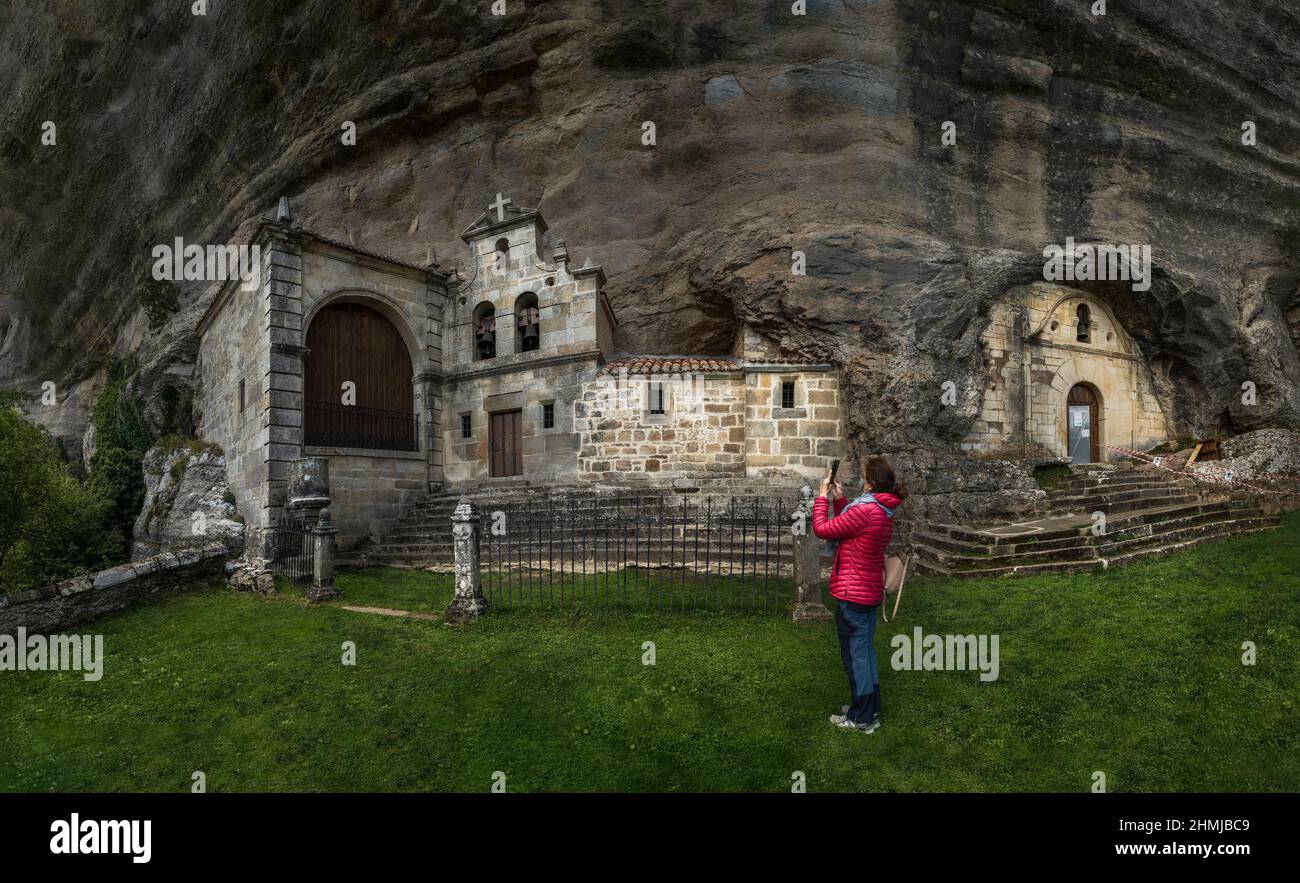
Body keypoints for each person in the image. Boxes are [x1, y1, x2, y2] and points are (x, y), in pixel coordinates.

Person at [812, 456, 908, 734]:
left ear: (869, 482)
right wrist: (840, 501)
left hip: (853, 592)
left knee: (855, 655)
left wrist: (822, 498)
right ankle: (867, 707)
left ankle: (861, 717)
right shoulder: (879, 509)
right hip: (867, 590)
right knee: (864, 652)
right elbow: (850, 529)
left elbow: (823, 530)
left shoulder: (865, 511)